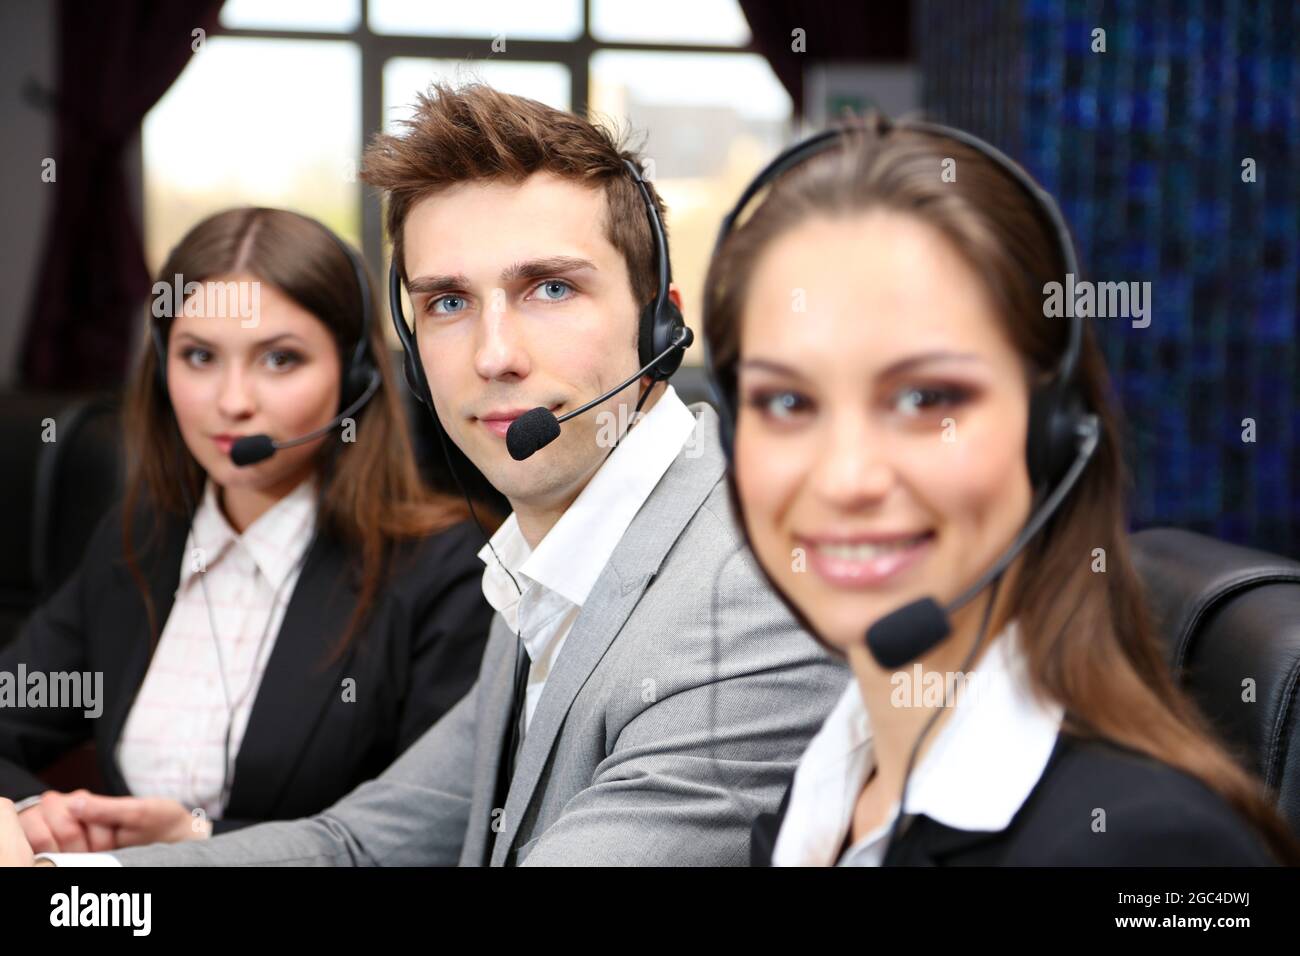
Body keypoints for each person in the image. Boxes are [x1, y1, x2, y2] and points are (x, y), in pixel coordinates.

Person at [9, 83, 845, 867]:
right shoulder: (538, 568)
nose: (492, 356)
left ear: (663, 321)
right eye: (447, 303)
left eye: (550, 288)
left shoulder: (750, 591)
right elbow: (358, 844)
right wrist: (89, 876)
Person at [701, 115, 1300, 865]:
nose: (846, 477)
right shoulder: (840, 779)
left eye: (927, 398)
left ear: (1055, 431)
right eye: (787, 403)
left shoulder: (1152, 852)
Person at [0, 207, 494, 854]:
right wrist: (30, 812)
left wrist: (199, 837)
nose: (232, 401)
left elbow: (433, 835)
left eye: (280, 360)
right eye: (199, 356)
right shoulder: (141, 541)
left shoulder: (446, 571)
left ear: (354, 379)